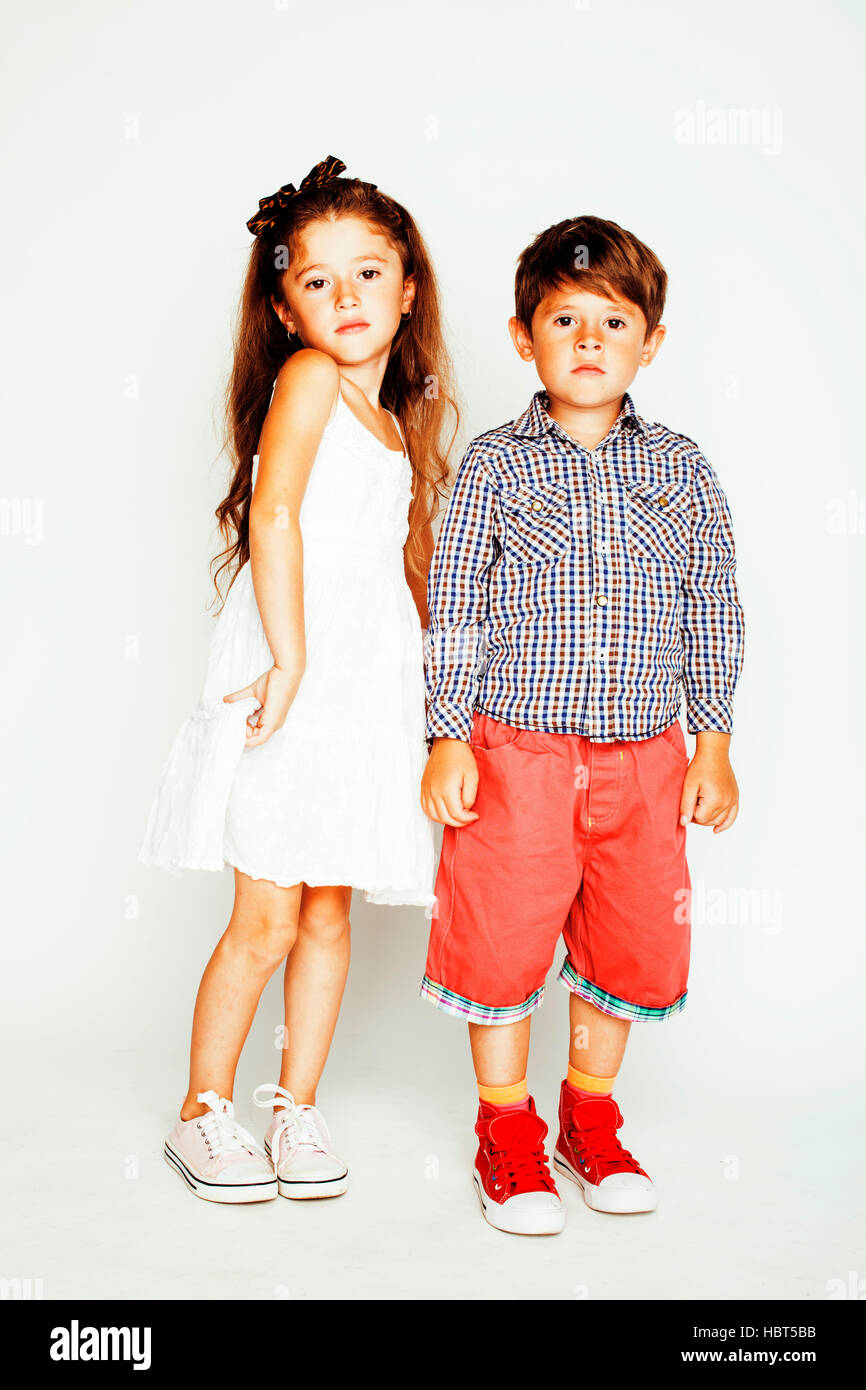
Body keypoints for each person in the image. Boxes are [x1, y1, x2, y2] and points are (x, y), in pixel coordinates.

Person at [139, 156, 457, 1203]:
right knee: (267, 914)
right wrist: (289, 660)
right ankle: (202, 1112)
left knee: (328, 913)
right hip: (294, 663)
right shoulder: (311, 377)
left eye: (368, 273)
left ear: (407, 288)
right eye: (317, 280)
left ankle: (295, 1106)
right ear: (285, 310)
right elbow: (274, 513)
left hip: (363, 681)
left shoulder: (395, 420)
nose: (346, 297)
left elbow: (398, 569)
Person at [420, 214, 745, 1235]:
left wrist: (713, 741)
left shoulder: (682, 467)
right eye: (565, 320)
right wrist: (446, 733)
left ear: (651, 340)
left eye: (614, 320)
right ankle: (506, 1130)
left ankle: (588, 1121)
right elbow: (453, 606)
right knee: (500, 939)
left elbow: (712, 603)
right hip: (514, 753)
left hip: (645, 760)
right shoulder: (493, 464)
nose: (590, 339)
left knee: (629, 939)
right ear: (524, 338)